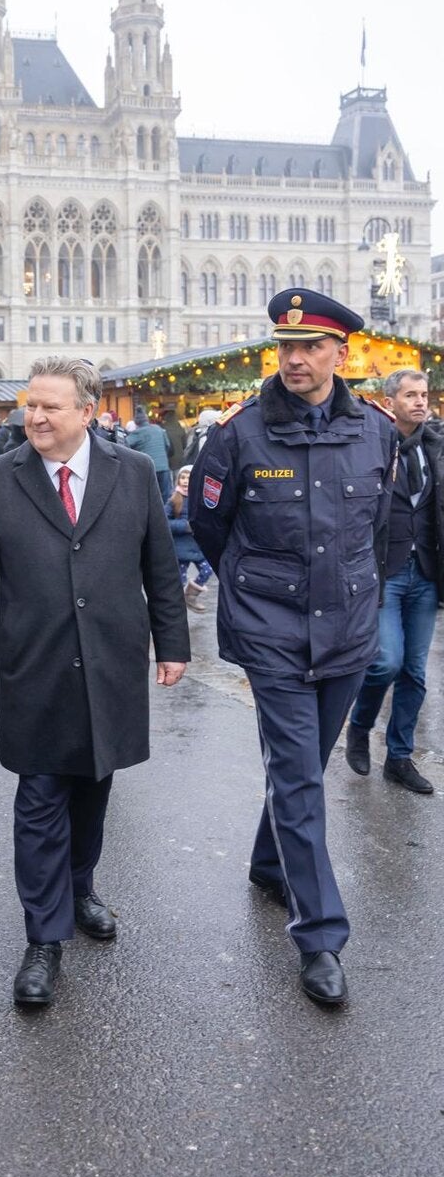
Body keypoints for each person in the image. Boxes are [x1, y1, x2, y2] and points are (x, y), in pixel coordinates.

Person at [0, 355, 189, 1007]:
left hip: (111, 660)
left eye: (50, 406)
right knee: (40, 794)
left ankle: (80, 886)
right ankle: (44, 936)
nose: (35, 416)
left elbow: (160, 565)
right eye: (31, 404)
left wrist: (172, 644)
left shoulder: (131, 472)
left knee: (93, 784)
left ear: (87, 412)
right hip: (36, 664)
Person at [188, 289, 396, 1007]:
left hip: (347, 628)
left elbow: (379, 528)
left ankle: (268, 860)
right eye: (287, 347)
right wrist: (258, 588)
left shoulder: (376, 431)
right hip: (272, 630)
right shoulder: (238, 433)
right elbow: (209, 524)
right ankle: (320, 936)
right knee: (302, 776)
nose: (296, 359)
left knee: (301, 765)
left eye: (311, 347)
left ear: (342, 352)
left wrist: (359, 591)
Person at [345, 369, 443, 795]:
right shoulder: (373, 445)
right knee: (386, 661)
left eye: (423, 395)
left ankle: (399, 758)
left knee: (415, 672)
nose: (420, 402)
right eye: (410, 395)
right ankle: (359, 725)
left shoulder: (435, 446)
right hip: (385, 571)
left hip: (427, 572)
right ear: (390, 402)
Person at [166, 465, 214, 611]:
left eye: (189, 477)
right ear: (178, 480)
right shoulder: (174, 499)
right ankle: (175, 607)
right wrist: (184, 526)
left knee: (207, 570)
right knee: (179, 579)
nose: (186, 481)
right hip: (181, 548)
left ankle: (191, 596)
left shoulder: (201, 499)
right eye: (183, 477)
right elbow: (163, 521)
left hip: (198, 547)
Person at [125, 405, 173, 501]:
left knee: (150, 498)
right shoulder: (158, 429)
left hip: (149, 469)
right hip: (164, 467)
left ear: (136, 422)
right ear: (147, 419)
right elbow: (168, 445)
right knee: (166, 497)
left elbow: (125, 446)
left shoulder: (137, 433)